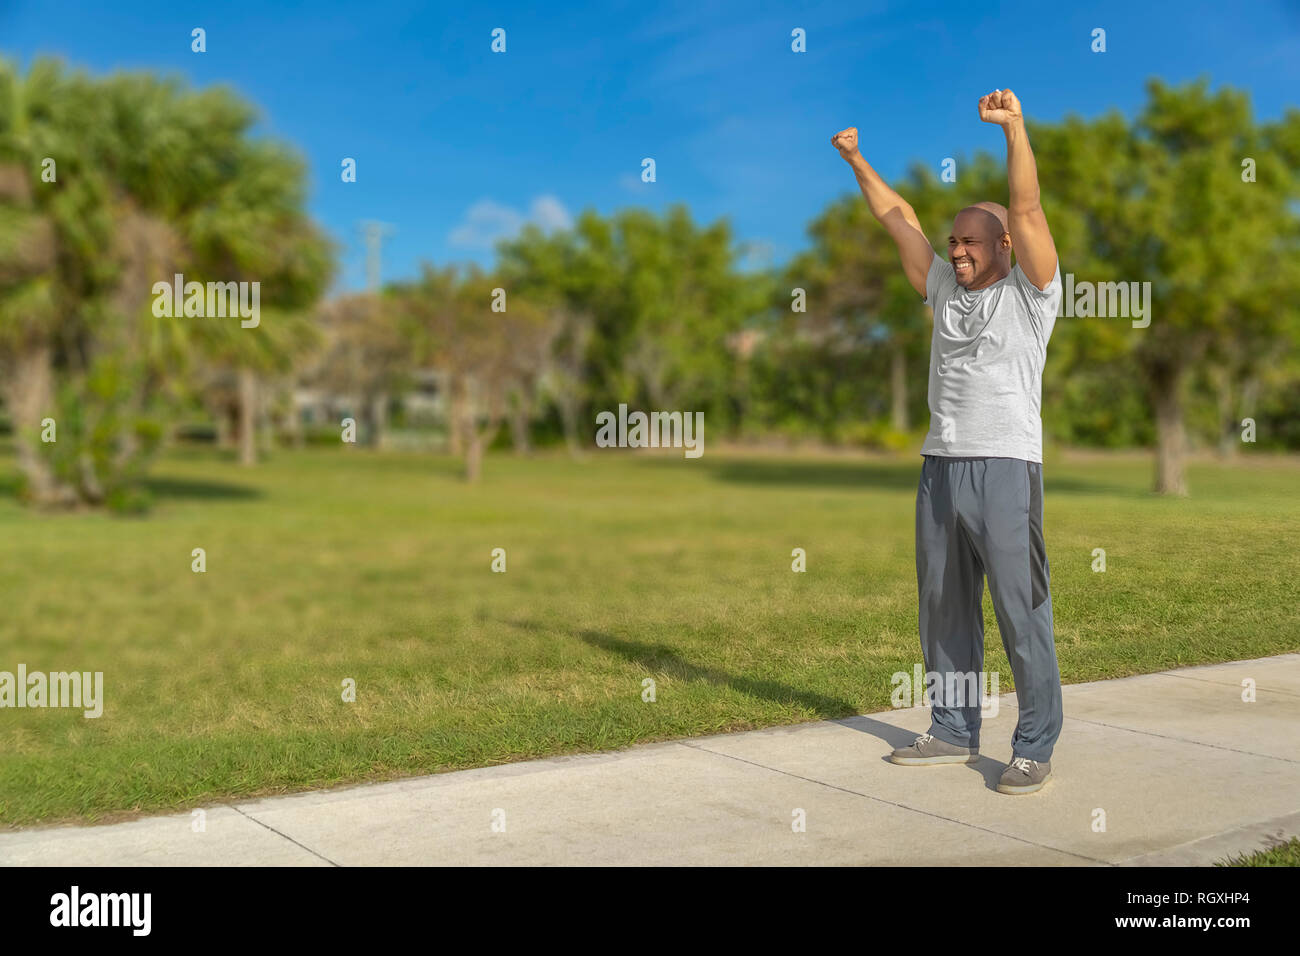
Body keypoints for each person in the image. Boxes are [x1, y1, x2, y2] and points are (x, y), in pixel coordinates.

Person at [832, 89, 1063, 795]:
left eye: (968, 241)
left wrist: (1014, 130)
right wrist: (856, 160)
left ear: (1004, 249)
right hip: (940, 465)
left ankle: (1033, 745)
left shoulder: (1033, 293)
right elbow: (896, 217)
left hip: (1005, 466)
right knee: (944, 606)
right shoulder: (941, 287)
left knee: (1020, 609)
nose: (955, 250)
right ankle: (954, 729)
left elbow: (1025, 209)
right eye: (953, 240)